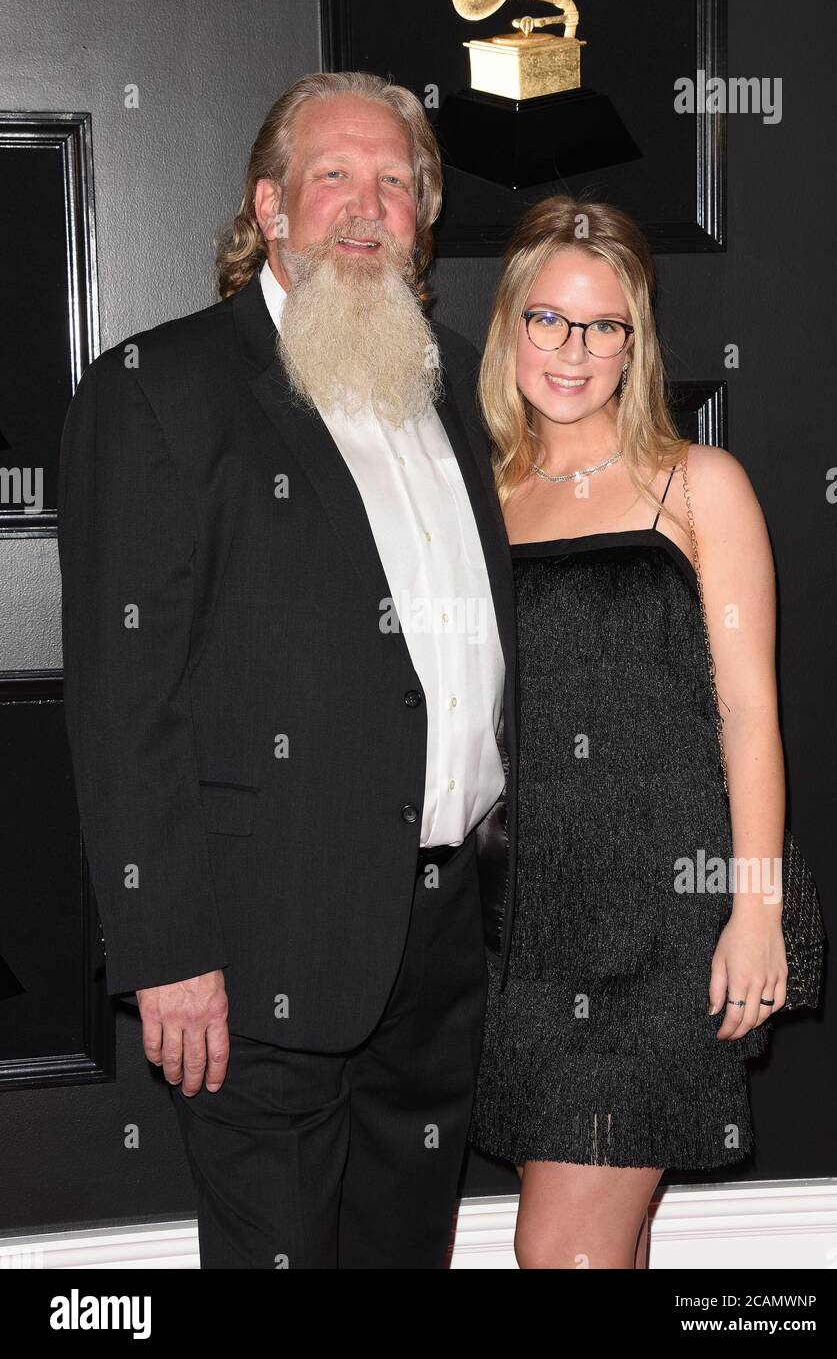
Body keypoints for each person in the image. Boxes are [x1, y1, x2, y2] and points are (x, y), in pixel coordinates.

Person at [57, 70, 520, 1269]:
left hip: (437, 946)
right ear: (269, 207)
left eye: (395, 184)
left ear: (420, 218)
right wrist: (164, 953)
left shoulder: (456, 387)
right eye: (332, 178)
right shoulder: (158, 390)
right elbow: (123, 703)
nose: (365, 207)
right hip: (256, 951)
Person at [468, 197, 787, 1269]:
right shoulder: (481, 499)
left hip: (666, 911)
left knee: (558, 1253)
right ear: (510, 324)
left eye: (604, 326)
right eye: (548, 319)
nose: (573, 349)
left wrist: (754, 908)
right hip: (528, 920)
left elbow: (747, 711)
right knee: (608, 1247)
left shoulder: (697, 485)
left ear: (633, 343)